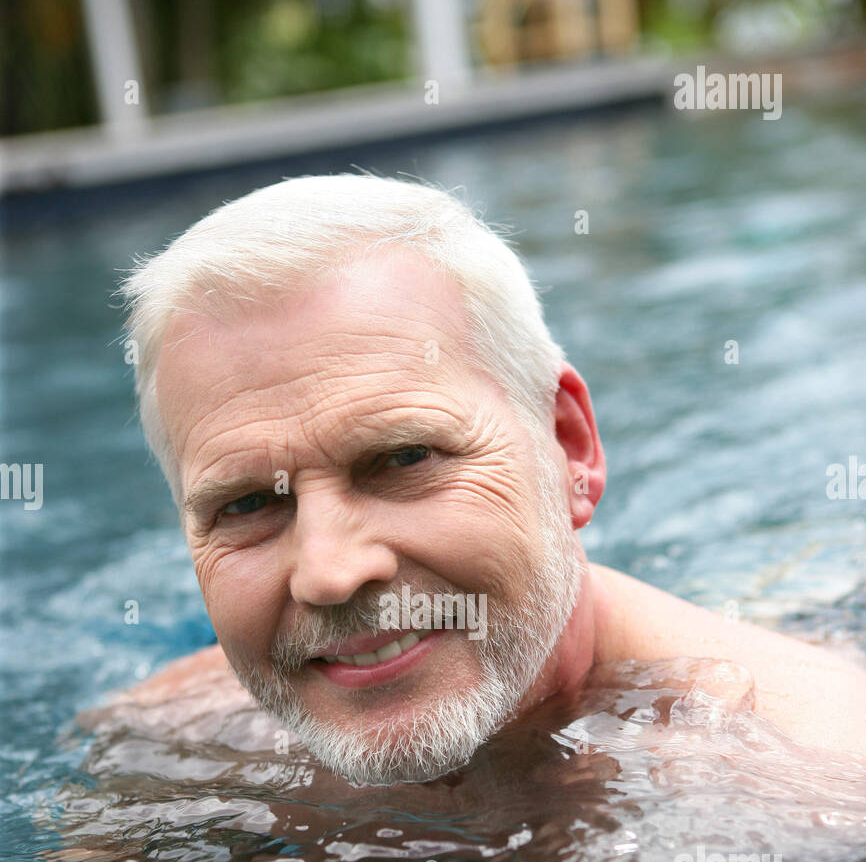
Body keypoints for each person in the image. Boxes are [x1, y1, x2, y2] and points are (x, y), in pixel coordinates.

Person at [117, 173, 866, 785]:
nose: (330, 573)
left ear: (569, 448)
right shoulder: (176, 741)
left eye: (404, 459)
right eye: (247, 503)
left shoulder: (809, 782)